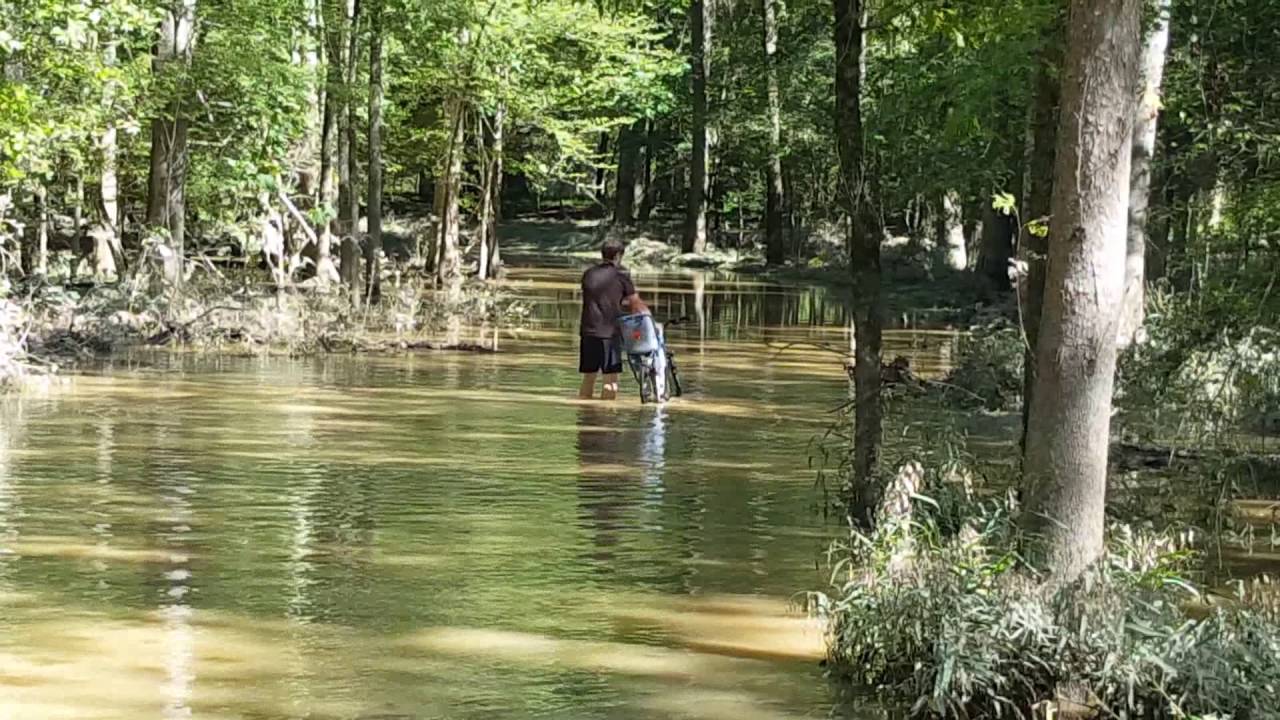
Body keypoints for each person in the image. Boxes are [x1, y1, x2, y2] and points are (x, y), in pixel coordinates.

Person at [579, 238, 648, 400]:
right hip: (609, 334)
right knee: (610, 380)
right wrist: (648, 320)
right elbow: (635, 304)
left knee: (588, 377)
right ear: (618, 255)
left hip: (588, 331)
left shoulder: (588, 274)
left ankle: (585, 416)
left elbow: (598, 298)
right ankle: (606, 419)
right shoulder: (621, 275)